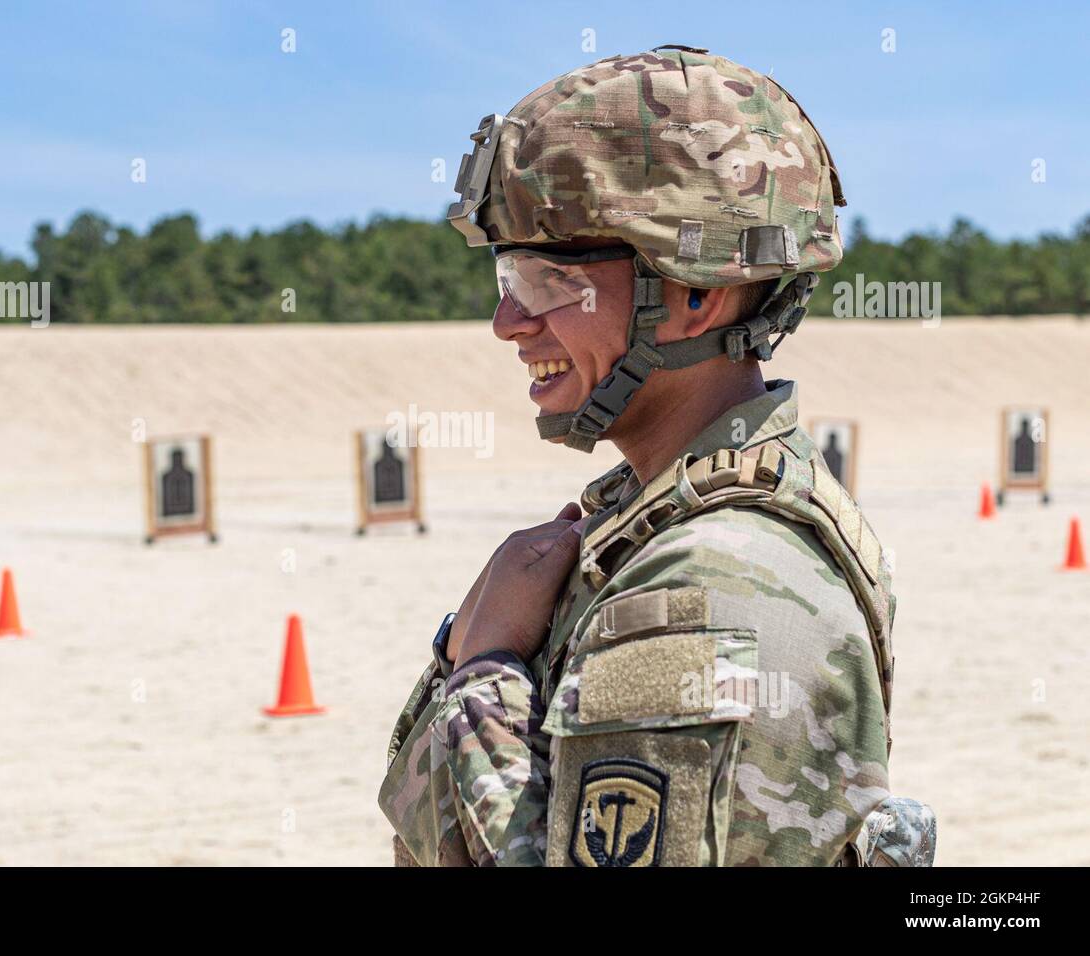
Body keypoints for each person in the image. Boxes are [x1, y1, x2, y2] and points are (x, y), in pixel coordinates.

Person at [378, 45, 935, 866]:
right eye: (506, 278)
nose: (508, 323)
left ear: (691, 295)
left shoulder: (708, 591)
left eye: (541, 281)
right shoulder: (668, 515)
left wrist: (484, 670)